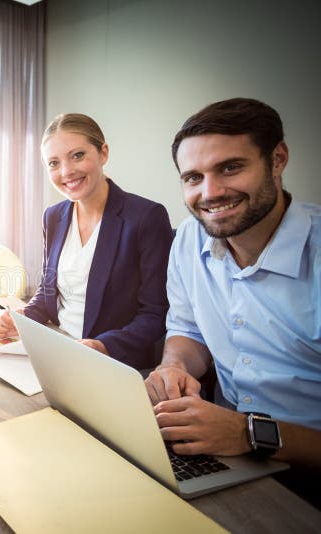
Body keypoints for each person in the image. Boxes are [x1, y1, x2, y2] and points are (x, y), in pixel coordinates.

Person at [145, 98, 320, 504]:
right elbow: (187, 330)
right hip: (222, 453)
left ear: (277, 159)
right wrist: (174, 365)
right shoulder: (189, 240)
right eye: (193, 177)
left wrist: (246, 433)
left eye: (230, 167)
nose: (211, 193)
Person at [0, 113, 173, 370]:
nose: (66, 171)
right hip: (57, 349)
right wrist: (23, 317)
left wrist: (103, 346)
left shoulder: (146, 217)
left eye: (77, 155)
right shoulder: (53, 216)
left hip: (113, 364)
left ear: (103, 153)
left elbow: (156, 313)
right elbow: (48, 291)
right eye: (54, 163)